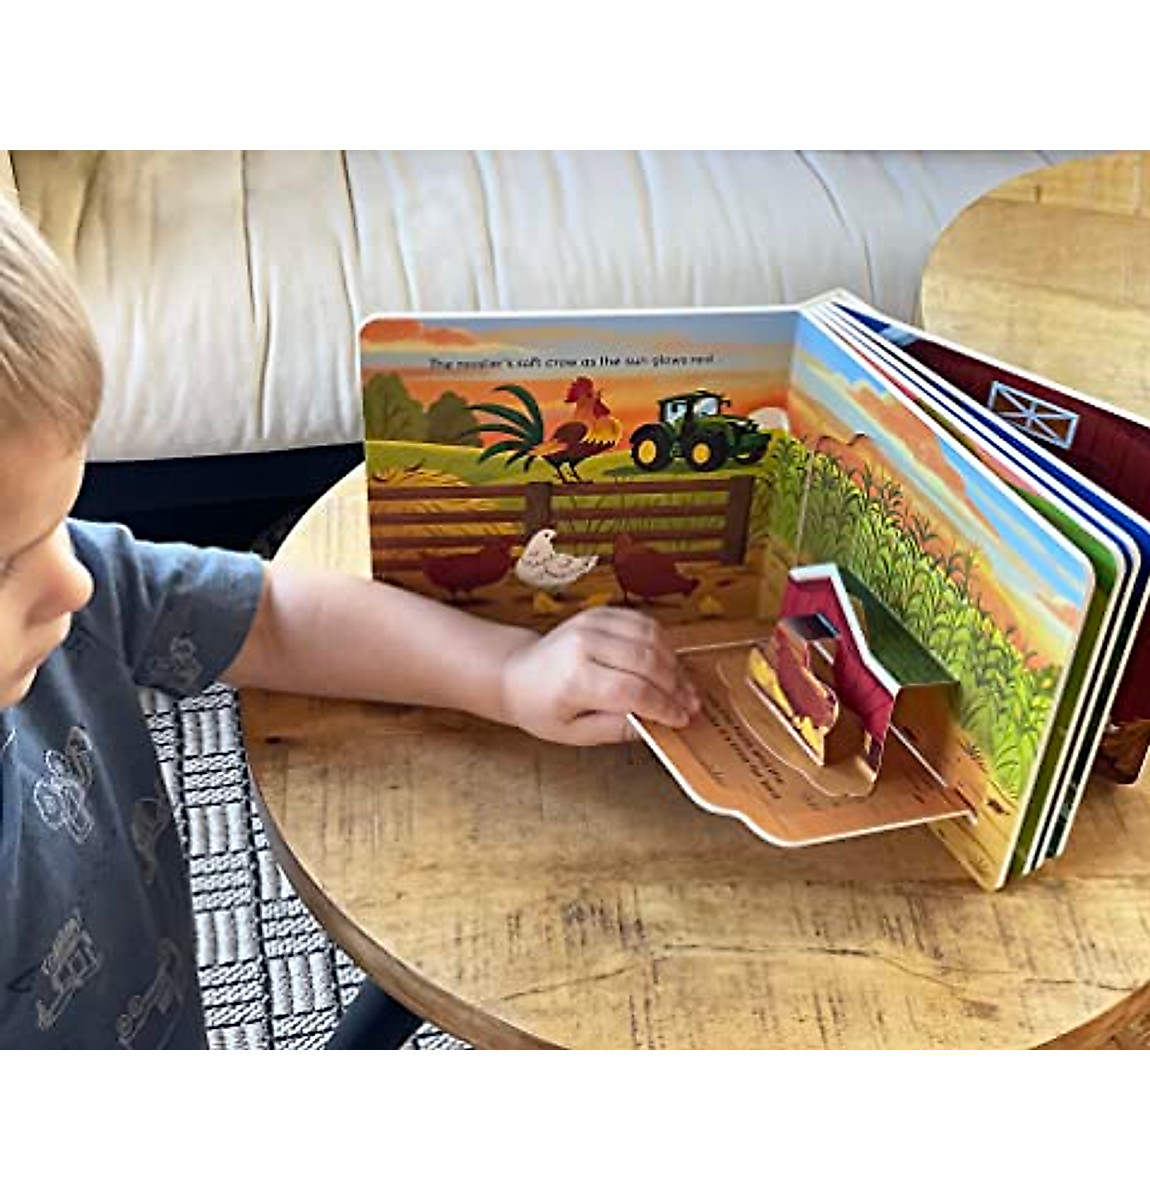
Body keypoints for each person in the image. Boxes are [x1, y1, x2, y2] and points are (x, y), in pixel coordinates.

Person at [0, 199, 700, 1049]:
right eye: (6, 563)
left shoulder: (70, 595)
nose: (72, 580)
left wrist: (507, 672)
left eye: (61, 523)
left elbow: (273, 618)